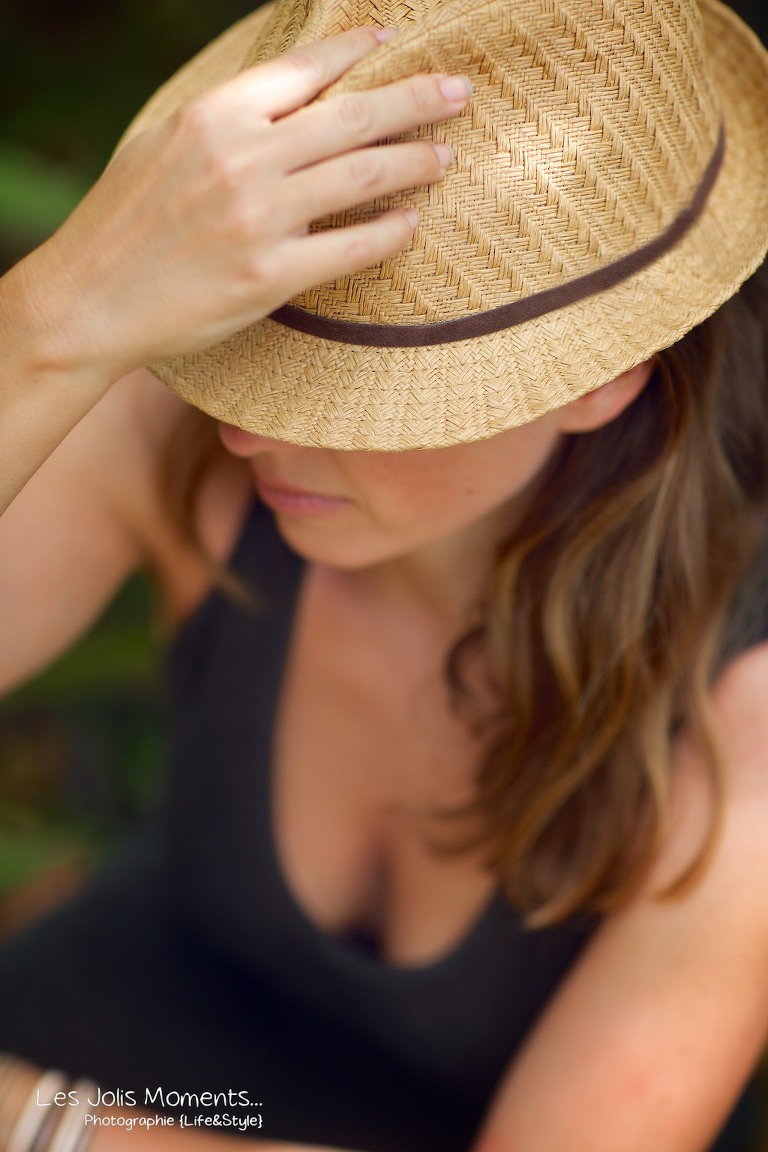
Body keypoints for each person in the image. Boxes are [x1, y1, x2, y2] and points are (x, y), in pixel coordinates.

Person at [0, 0, 767, 1150]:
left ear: (603, 375)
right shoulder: (180, 438)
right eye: (241, 342)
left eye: (344, 391)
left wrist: (42, 1125)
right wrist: (50, 324)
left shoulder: (745, 708)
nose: (249, 427)